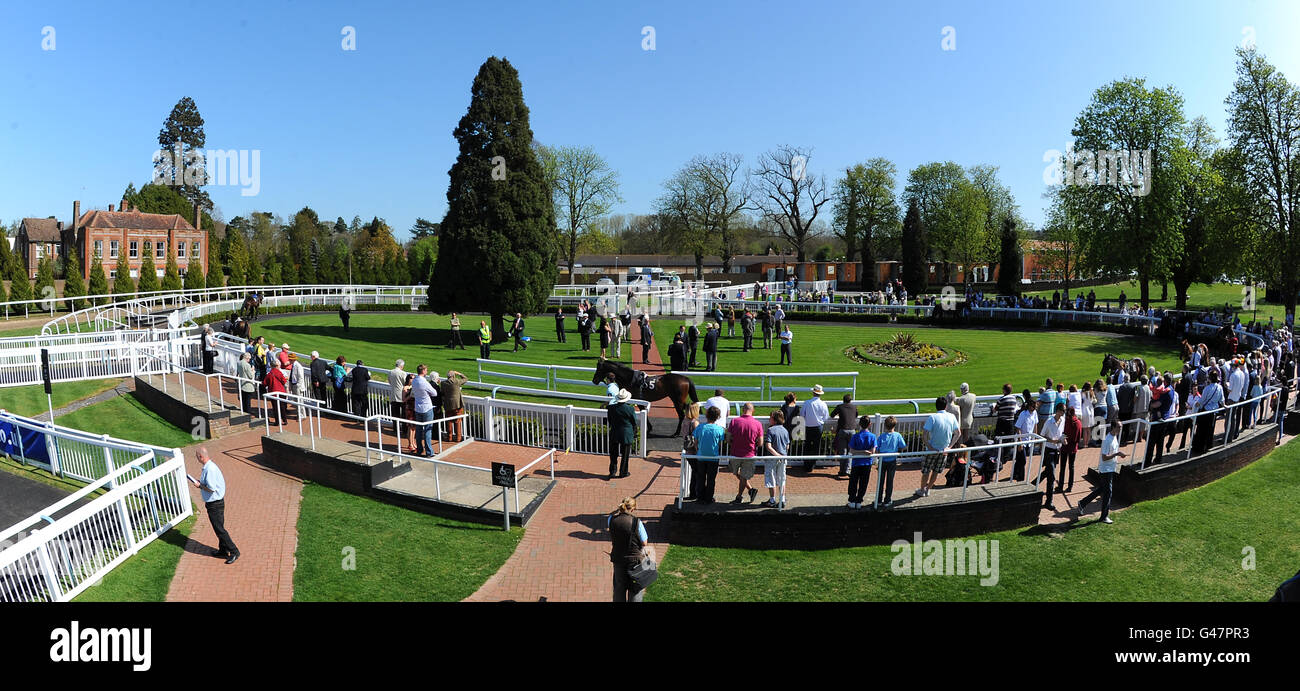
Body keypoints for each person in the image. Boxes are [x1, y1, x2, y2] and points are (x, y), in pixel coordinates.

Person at [190, 447, 239, 564]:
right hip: (217, 502)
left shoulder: (209, 469)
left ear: (201, 457)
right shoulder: (210, 467)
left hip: (214, 504)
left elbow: (211, 488)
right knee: (220, 527)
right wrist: (201, 483)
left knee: (219, 530)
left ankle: (234, 551)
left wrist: (199, 485)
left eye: (197, 456)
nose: (197, 459)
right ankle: (223, 550)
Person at [1079, 419, 1126, 524]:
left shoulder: (1114, 437)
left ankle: (1082, 503)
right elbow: (1104, 457)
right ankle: (1104, 516)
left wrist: (1118, 455)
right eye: (1119, 427)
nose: (1120, 428)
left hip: (1110, 468)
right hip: (1105, 469)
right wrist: (1117, 454)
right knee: (1108, 492)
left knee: (1101, 489)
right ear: (1113, 427)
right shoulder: (1107, 440)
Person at [607, 496, 650, 602]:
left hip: (618, 558)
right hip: (634, 560)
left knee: (619, 588)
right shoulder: (636, 522)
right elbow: (644, 542)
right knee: (635, 588)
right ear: (633, 509)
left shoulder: (611, 519)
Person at [917, 396, 960, 497]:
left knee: (926, 471)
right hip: (944, 451)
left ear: (936, 407)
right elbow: (958, 433)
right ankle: (927, 489)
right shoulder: (952, 417)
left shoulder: (933, 417)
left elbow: (924, 434)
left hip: (932, 451)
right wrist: (949, 447)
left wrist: (929, 446)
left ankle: (922, 490)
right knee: (936, 471)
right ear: (946, 406)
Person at [725, 402, 764, 504]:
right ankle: (750, 490)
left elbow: (728, 439)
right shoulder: (758, 424)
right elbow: (760, 443)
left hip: (735, 453)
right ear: (753, 410)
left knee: (739, 474)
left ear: (743, 410)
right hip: (749, 454)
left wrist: (734, 443)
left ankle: (739, 496)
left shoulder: (734, 421)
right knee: (743, 476)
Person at [692, 406, 726, 504]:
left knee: (701, 478)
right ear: (717, 417)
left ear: (707, 415)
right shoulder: (719, 429)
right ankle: (708, 498)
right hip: (713, 458)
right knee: (711, 479)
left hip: (701, 457)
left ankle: (700, 497)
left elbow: (695, 442)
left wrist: (697, 449)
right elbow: (720, 443)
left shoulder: (700, 427)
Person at [1039, 403, 1067, 511]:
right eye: (1063, 411)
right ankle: (1049, 501)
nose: (1064, 413)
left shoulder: (1063, 420)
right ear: (1058, 411)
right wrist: (1053, 441)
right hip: (1049, 450)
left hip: (1057, 450)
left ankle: (1033, 483)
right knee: (1051, 476)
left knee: (1048, 472)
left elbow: (1061, 433)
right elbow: (1042, 435)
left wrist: (1063, 439)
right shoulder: (1049, 421)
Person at [873, 416, 906, 508]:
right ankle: (887, 500)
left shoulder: (881, 436)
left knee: (880, 481)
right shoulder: (897, 435)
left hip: (882, 461)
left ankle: (879, 500)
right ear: (894, 425)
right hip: (892, 461)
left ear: (885, 425)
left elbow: (877, 449)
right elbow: (903, 445)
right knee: (890, 481)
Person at [607, 389, 638, 479]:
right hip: (626, 433)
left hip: (614, 432)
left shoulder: (611, 408)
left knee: (613, 454)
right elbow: (634, 422)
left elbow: (610, 421)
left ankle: (612, 472)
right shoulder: (630, 409)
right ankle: (623, 472)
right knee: (625, 455)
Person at [846, 415, 876, 509]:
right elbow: (872, 451)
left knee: (853, 482)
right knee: (863, 483)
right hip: (866, 464)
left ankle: (852, 500)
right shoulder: (872, 436)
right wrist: (864, 452)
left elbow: (852, 451)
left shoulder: (856, 436)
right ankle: (859, 501)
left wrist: (860, 452)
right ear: (870, 424)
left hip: (856, 463)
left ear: (859, 424)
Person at [1192, 369, 1224, 454]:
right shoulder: (1219, 387)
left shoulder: (1207, 388)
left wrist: (1196, 405)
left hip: (1206, 412)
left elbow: (1202, 400)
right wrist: (1224, 406)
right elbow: (1222, 400)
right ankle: (1207, 446)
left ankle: (1199, 447)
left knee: (1201, 430)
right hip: (1214, 412)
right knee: (1210, 430)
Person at [763, 409, 790, 508]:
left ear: (774, 420)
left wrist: (776, 455)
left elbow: (768, 446)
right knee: (782, 479)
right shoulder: (785, 430)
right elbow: (787, 446)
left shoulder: (770, 430)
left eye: (770, 418)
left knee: (771, 479)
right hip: (783, 458)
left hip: (772, 458)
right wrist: (781, 455)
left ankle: (772, 499)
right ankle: (782, 499)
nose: (769, 420)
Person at [800, 384, 831, 464]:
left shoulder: (807, 403)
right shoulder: (823, 404)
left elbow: (802, 415)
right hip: (818, 427)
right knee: (816, 446)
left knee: (807, 445)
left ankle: (807, 464)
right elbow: (826, 416)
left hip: (808, 427)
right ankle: (813, 464)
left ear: (813, 393)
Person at [410, 364, 437, 457]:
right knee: (427, 430)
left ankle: (419, 450)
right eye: (426, 370)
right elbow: (434, 393)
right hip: (426, 408)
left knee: (418, 430)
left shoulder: (414, 381)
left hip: (417, 408)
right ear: (423, 371)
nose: (427, 372)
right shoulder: (424, 382)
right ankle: (429, 452)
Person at [830, 393, 858, 476]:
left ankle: (842, 470)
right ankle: (848, 470)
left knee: (843, 451)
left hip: (843, 430)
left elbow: (832, 415)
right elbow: (856, 415)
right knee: (850, 451)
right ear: (850, 401)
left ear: (843, 400)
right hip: (852, 431)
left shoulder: (840, 406)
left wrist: (840, 414)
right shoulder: (854, 407)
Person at [1058, 404, 1083, 493]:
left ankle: (1060, 486)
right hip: (1073, 448)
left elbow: (1064, 433)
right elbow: (1079, 437)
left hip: (1065, 447)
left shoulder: (1067, 421)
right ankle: (1070, 486)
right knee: (1071, 467)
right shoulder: (1078, 422)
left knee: (1063, 467)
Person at [682, 402, 702, 501]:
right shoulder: (694, 422)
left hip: (687, 450)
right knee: (697, 473)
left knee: (695, 472)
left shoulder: (685, 420)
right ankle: (695, 493)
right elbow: (697, 438)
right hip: (693, 451)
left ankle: (693, 493)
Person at [440, 370, 466, 443]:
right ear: (453, 376)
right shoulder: (457, 381)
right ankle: (458, 438)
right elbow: (465, 379)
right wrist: (459, 373)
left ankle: (449, 437)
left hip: (448, 404)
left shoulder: (443, 383)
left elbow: (442, 393)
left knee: (449, 422)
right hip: (457, 405)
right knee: (457, 422)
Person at [262, 354, 288, 426]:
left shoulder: (269, 374)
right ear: (276, 366)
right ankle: (285, 420)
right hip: (281, 393)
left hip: (274, 393)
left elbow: (264, 383)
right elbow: (284, 381)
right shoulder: (279, 373)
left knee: (276, 408)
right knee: (282, 407)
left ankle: (277, 421)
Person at [388, 359, 408, 432]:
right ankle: (404, 429)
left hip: (393, 395)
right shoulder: (403, 373)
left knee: (395, 414)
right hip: (402, 396)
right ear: (401, 366)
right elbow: (406, 383)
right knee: (403, 414)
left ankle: (395, 428)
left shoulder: (390, 372)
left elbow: (390, 382)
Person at [237, 352, 258, 419]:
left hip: (241, 383)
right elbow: (250, 376)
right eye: (249, 359)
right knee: (248, 400)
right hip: (247, 384)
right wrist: (253, 371)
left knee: (243, 399)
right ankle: (248, 414)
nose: (249, 360)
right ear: (247, 358)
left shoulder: (239, 363)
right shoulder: (247, 365)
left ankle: (244, 412)